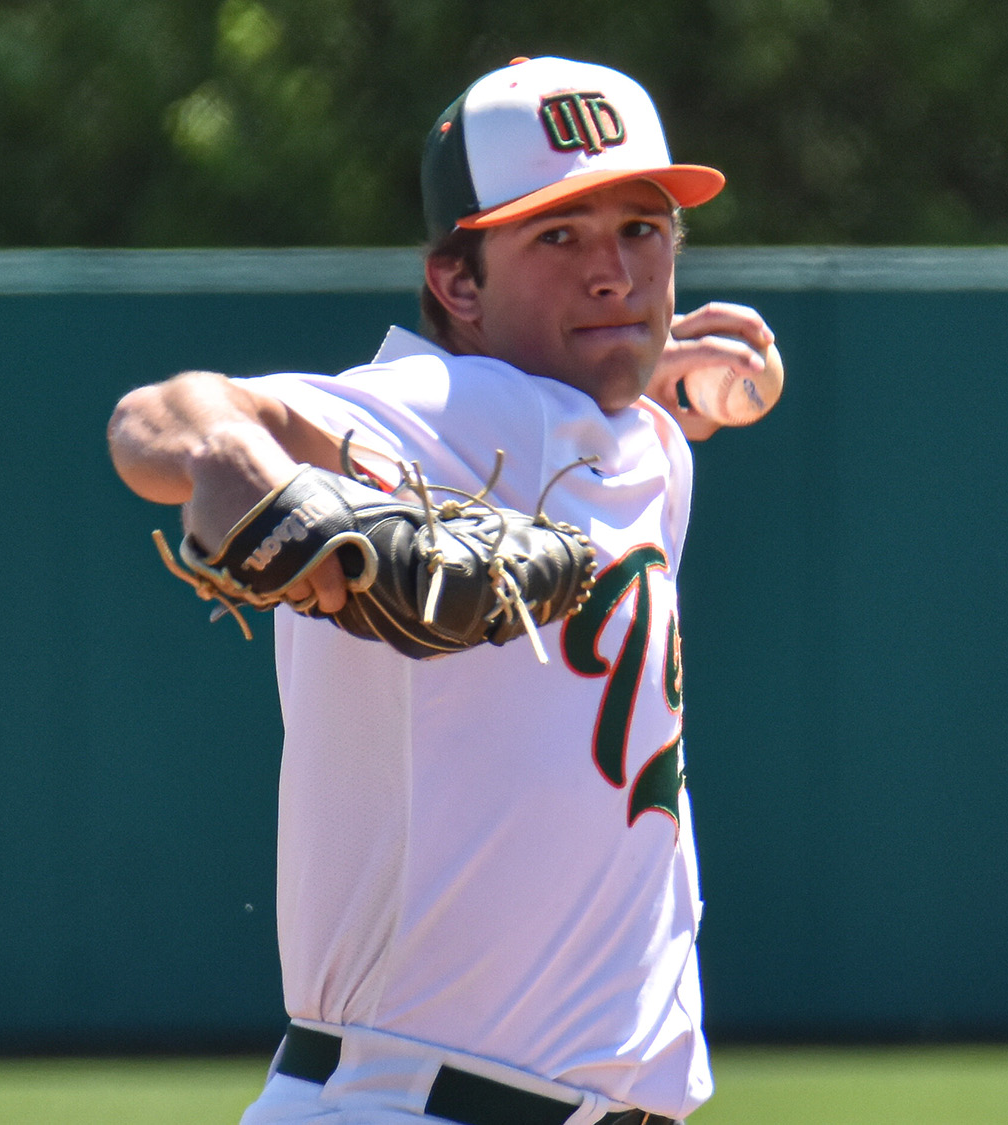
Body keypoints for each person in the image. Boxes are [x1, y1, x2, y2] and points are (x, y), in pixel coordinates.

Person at [108, 56, 777, 1125]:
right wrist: (234, 460)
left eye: (640, 229)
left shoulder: (636, 436)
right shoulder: (448, 407)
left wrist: (674, 369)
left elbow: (622, 403)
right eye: (555, 236)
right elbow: (160, 417)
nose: (611, 270)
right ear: (456, 285)